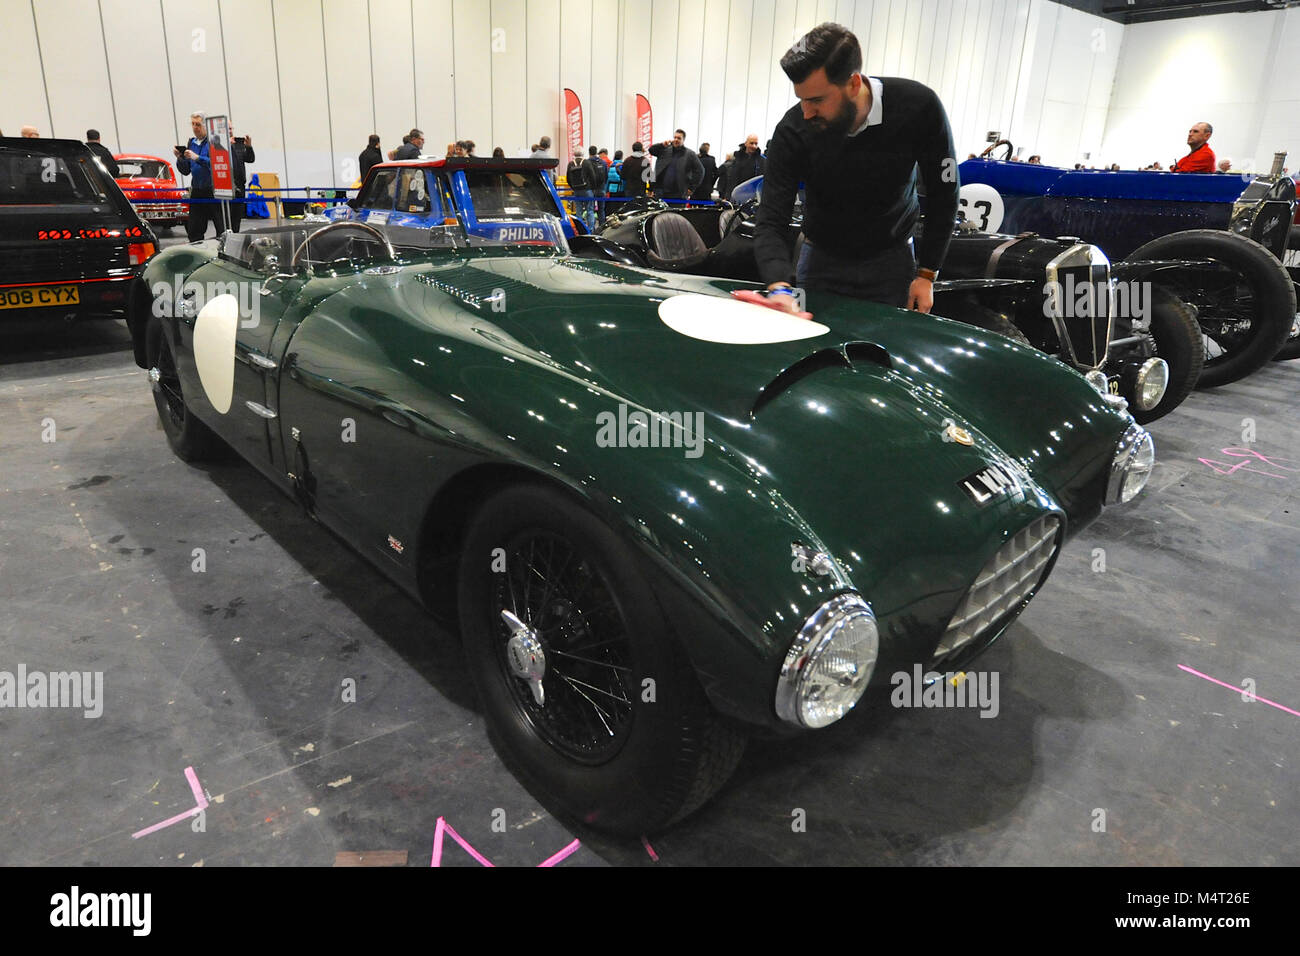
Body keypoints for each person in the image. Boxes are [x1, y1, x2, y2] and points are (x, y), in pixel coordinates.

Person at [754, 22, 958, 314]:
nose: (806, 112)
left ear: (853, 83)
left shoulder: (918, 108)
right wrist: (780, 287)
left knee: (885, 350)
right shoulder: (793, 130)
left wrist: (927, 274)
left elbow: (945, 192)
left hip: (892, 259)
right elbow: (771, 220)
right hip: (820, 258)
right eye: (800, 99)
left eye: (816, 100)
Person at [175, 112, 220, 241]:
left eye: (198, 124)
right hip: (197, 190)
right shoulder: (192, 143)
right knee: (194, 229)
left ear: (206, 126)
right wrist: (180, 158)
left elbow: (215, 164)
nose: (195, 127)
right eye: (193, 124)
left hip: (213, 190)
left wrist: (197, 158)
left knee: (221, 227)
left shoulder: (214, 142)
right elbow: (185, 171)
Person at [649, 129, 704, 200]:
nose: (676, 140)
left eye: (679, 138)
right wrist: (662, 145)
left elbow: (700, 171)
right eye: (674, 137)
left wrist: (691, 188)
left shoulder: (690, 154)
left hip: (678, 193)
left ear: (683, 140)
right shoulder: (664, 150)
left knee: (675, 211)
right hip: (660, 191)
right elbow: (651, 150)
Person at [229, 130, 255, 232]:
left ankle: (235, 238)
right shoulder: (217, 145)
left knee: (236, 219)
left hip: (239, 186)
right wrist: (227, 146)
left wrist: (248, 147)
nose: (230, 130)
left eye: (231, 128)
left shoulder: (238, 144)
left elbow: (250, 159)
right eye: (228, 128)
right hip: (225, 187)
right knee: (225, 219)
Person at [566, 150, 594, 230]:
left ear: (574, 154)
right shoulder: (587, 162)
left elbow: (568, 178)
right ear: (583, 154)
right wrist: (592, 188)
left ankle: (579, 229)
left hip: (576, 190)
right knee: (590, 210)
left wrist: (573, 187)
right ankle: (591, 229)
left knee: (578, 210)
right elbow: (592, 176)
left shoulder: (571, 164)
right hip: (587, 189)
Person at [584, 145, 608, 225]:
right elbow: (606, 176)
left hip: (590, 189)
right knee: (601, 209)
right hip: (601, 189)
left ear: (589, 152)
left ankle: (591, 228)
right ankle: (602, 228)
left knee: (590, 209)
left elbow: (584, 176)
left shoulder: (586, 162)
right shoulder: (603, 162)